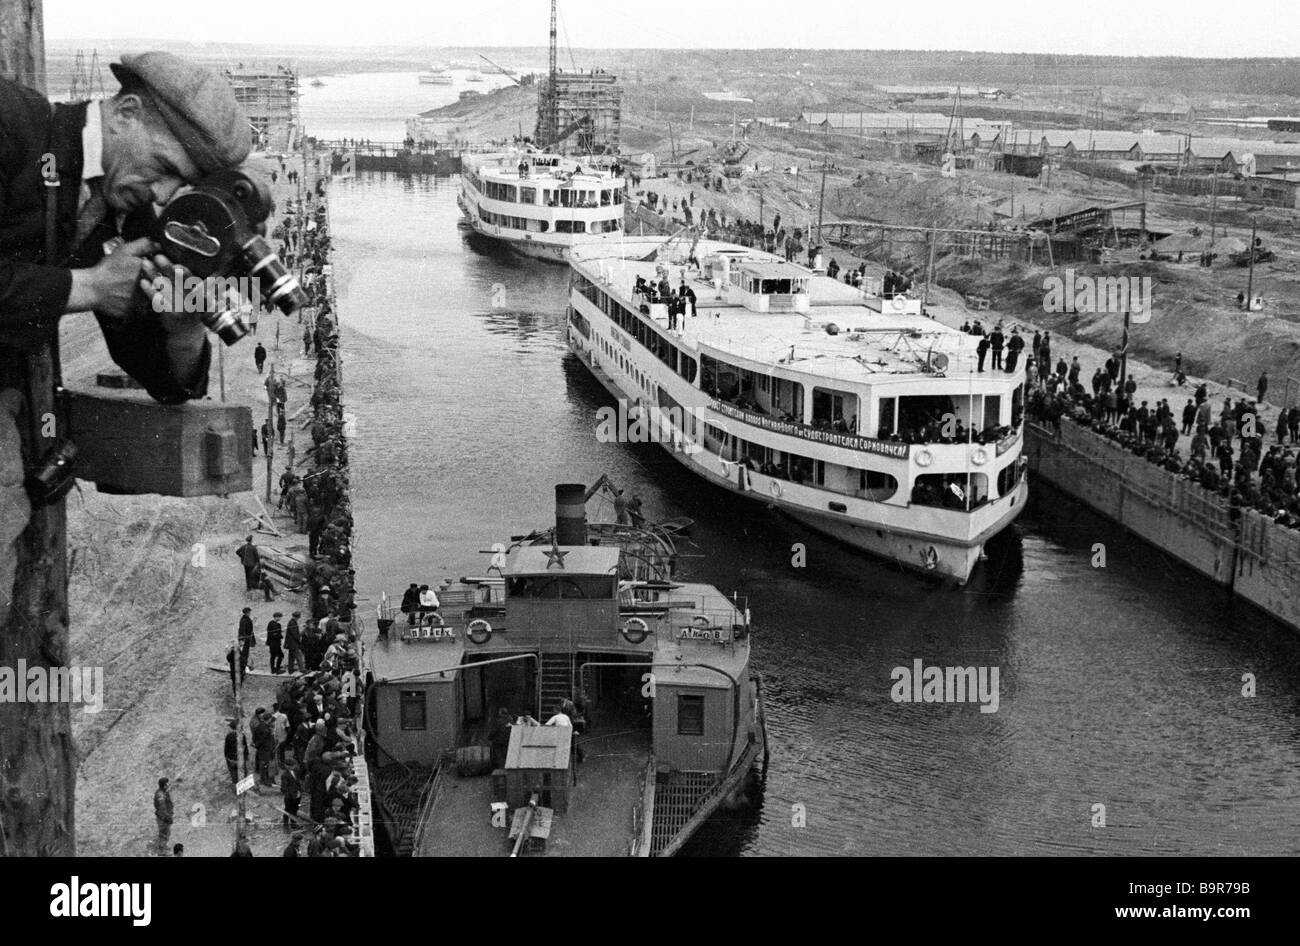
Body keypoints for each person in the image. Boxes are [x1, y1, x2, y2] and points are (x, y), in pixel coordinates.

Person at [153, 777, 174, 855]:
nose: (168, 784)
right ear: (164, 785)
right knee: (163, 834)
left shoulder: (163, 792)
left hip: (165, 817)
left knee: (166, 832)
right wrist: (167, 817)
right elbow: (162, 808)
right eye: (167, 783)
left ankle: (163, 847)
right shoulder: (160, 795)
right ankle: (162, 852)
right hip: (163, 818)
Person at [238, 606, 255, 671]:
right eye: (249, 612)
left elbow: (249, 627)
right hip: (244, 640)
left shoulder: (247, 618)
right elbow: (242, 631)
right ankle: (244, 667)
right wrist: (244, 638)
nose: (250, 613)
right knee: (244, 653)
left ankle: (246, 666)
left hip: (247, 639)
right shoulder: (243, 620)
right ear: (246, 613)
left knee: (246, 653)